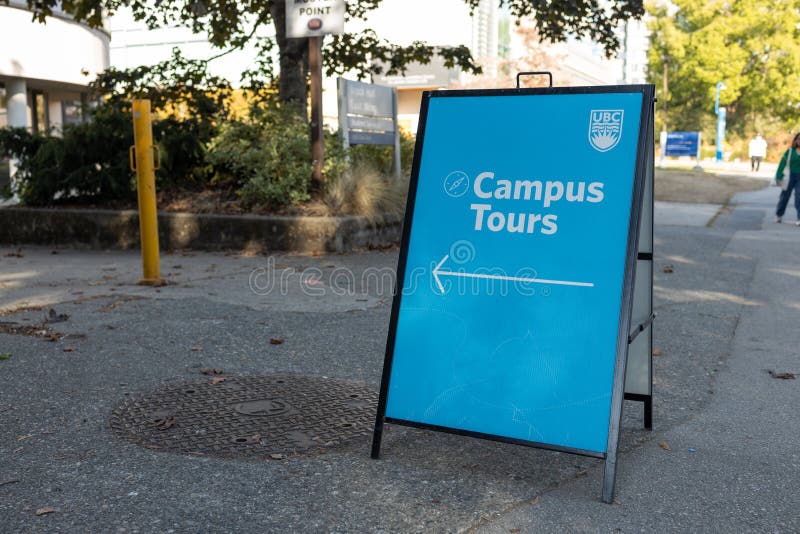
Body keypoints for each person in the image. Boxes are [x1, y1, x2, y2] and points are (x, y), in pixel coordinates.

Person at [774, 133, 800, 224]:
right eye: (799, 139)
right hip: (789, 176)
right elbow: (782, 164)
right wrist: (778, 176)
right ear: (796, 140)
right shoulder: (789, 151)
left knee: (799, 196)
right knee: (784, 196)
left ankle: (799, 218)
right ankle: (779, 214)